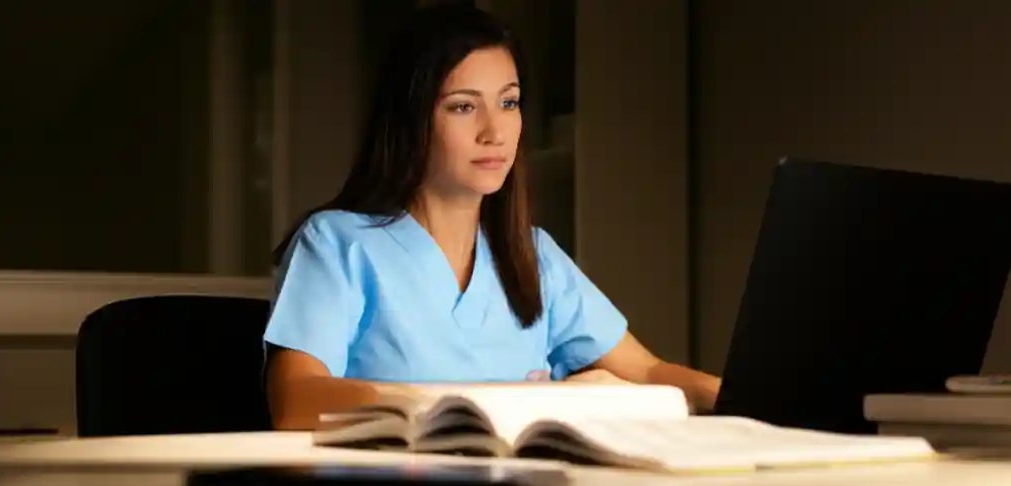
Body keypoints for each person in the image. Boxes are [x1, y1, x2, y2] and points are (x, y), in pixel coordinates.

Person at [263, 4, 720, 430]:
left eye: (509, 102)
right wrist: (481, 403)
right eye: (464, 106)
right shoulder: (336, 243)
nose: (495, 132)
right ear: (411, 119)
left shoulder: (533, 256)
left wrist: (745, 400)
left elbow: (647, 370)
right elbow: (296, 399)